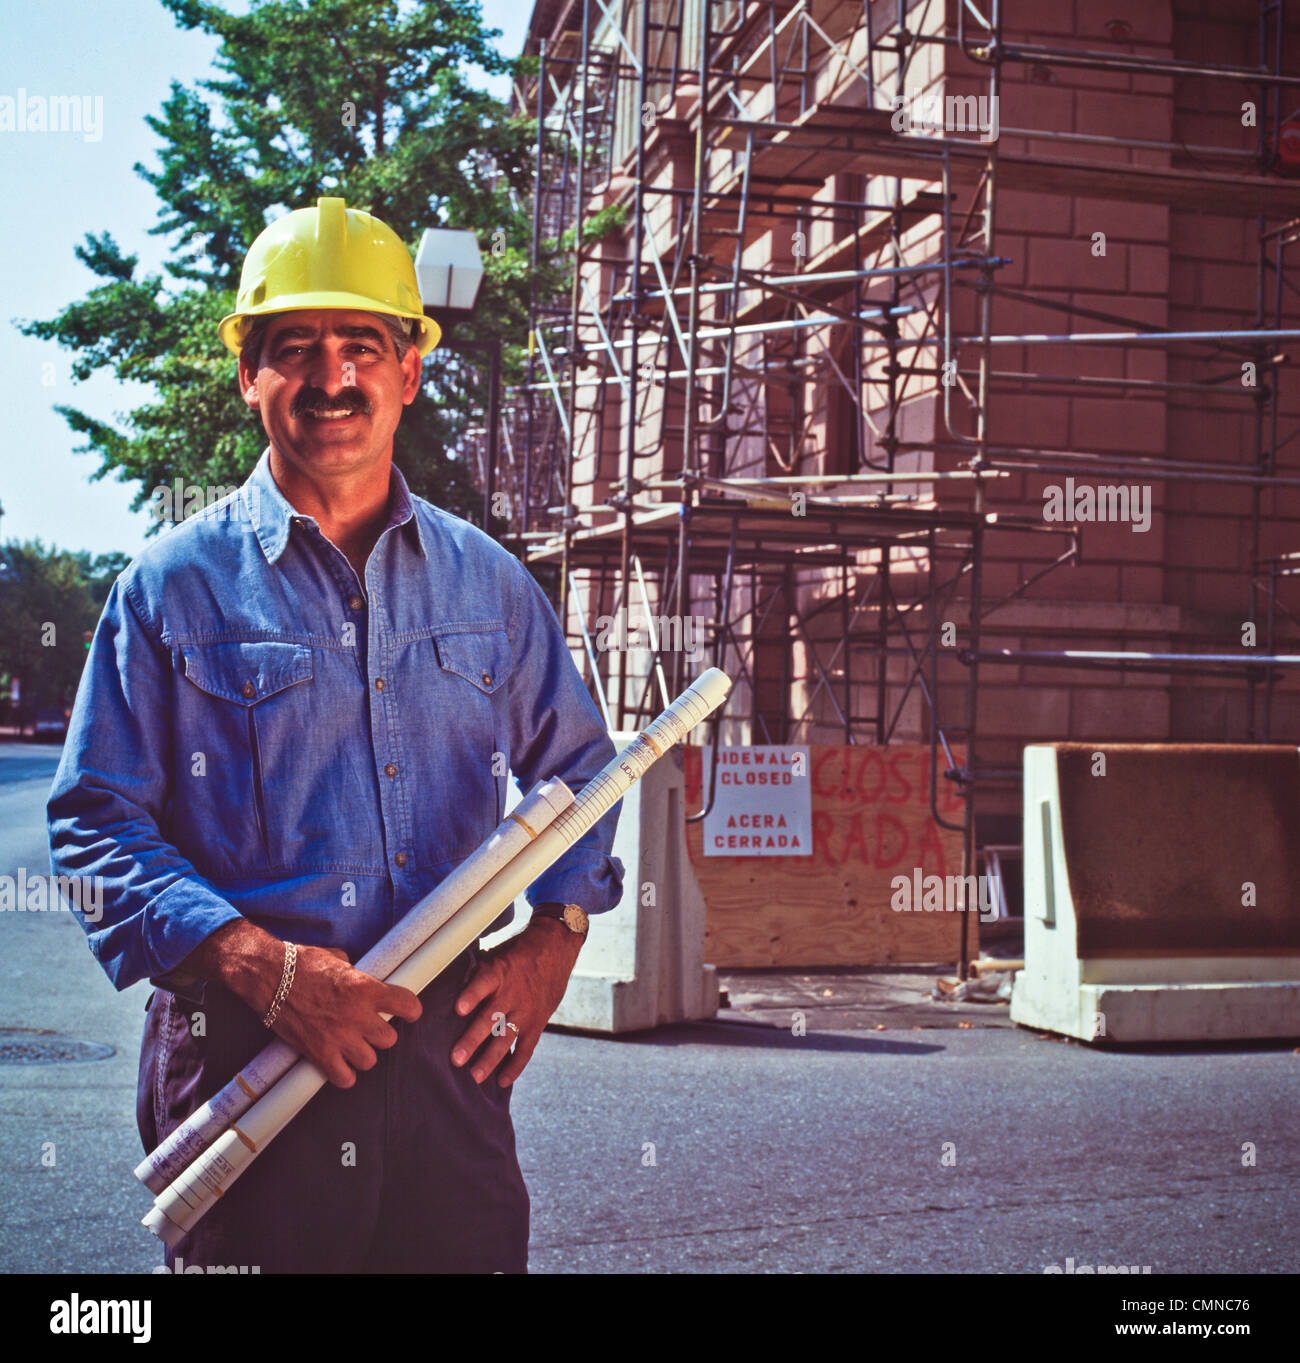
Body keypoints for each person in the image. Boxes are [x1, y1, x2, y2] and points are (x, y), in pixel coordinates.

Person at [47, 197, 624, 1273]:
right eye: (294, 349)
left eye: (364, 346)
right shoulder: (169, 590)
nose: (332, 379)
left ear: (409, 372)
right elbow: (92, 824)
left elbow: (585, 770)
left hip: (445, 1065)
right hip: (244, 1054)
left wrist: (556, 938)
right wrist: (261, 966)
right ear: (248, 376)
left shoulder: (490, 585)